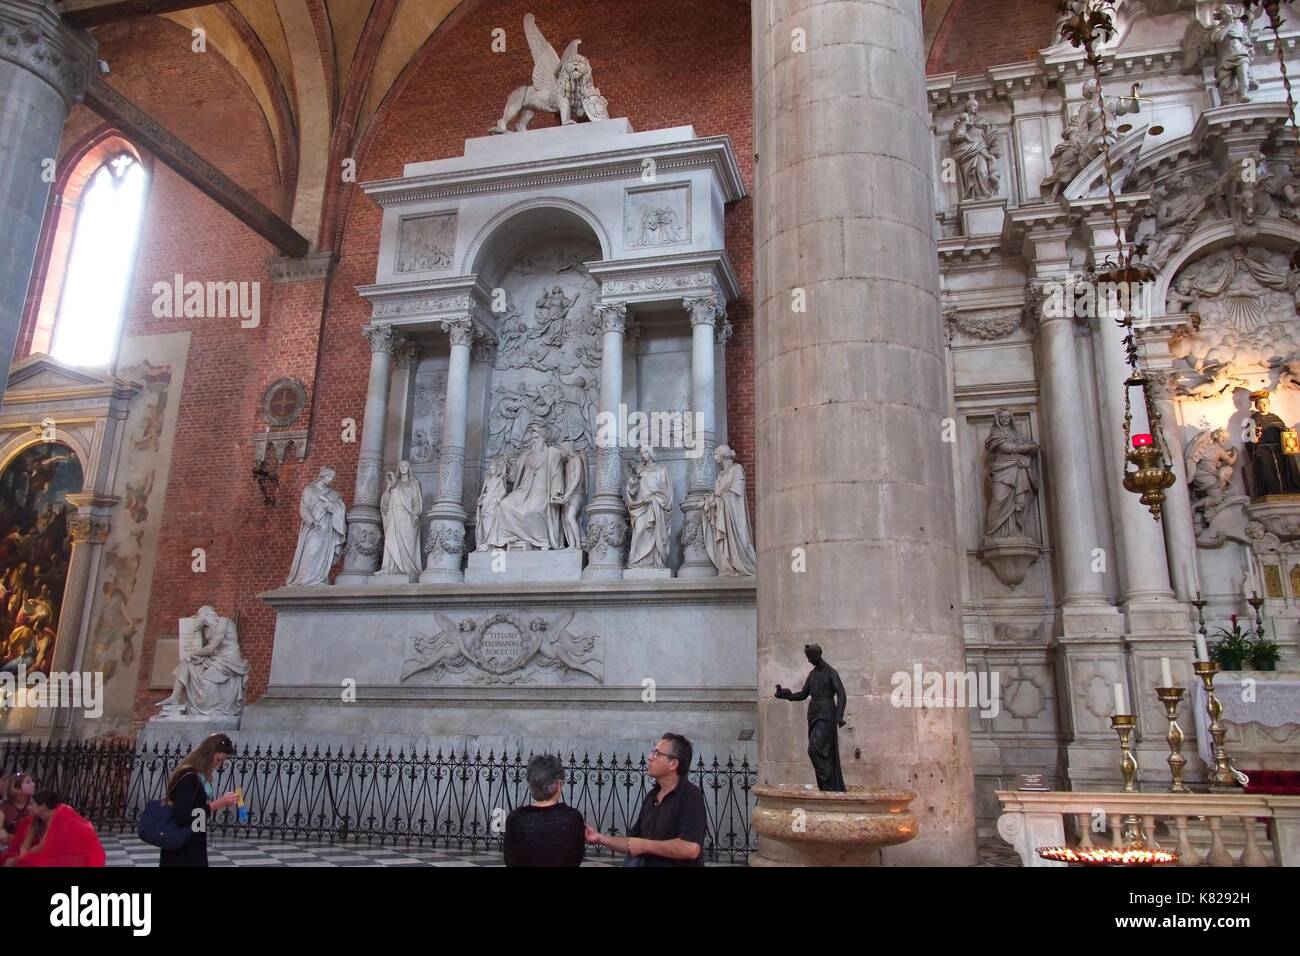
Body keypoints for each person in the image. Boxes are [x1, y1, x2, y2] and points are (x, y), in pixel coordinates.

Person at [584, 733, 706, 867]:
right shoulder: (652, 796)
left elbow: (691, 848)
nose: (649, 757)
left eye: (656, 753)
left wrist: (645, 845)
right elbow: (633, 843)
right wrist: (600, 838)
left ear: (673, 763)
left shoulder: (690, 795)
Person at [160, 733, 239, 867]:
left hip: (193, 843)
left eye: (223, 761)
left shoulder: (198, 777)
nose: (219, 765)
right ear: (208, 754)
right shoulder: (189, 777)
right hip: (182, 850)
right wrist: (217, 804)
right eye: (219, 760)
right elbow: (182, 816)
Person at [503, 754, 586, 867]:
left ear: (531, 785)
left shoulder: (515, 819)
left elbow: (509, 860)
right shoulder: (573, 818)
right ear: (558, 785)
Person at [11, 791, 105, 867]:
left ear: (43, 806)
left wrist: (21, 858)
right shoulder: (36, 818)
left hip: (83, 855)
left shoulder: (59, 814)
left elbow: (42, 846)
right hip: (63, 854)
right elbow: (25, 845)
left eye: (32, 804)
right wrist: (22, 856)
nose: (28, 808)